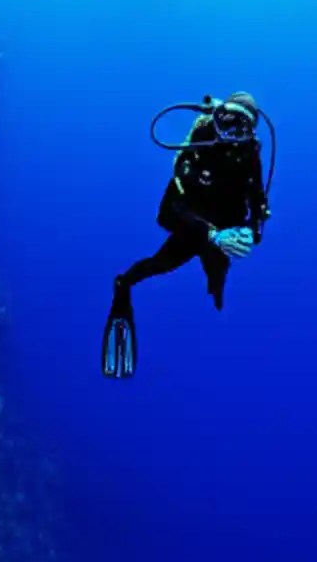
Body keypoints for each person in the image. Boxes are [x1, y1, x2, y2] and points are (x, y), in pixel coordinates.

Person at [101, 91, 273, 378]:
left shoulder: (249, 155)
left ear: (250, 131)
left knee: (217, 276)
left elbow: (258, 205)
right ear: (217, 116)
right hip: (193, 227)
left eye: (239, 126)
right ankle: (123, 294)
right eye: (227, 120)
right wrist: (213, 236)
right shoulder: (201, 141)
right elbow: (171, 210)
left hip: (224, 231)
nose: (230, 132)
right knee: (159, 264)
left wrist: (249, 232)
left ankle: (216, 297)